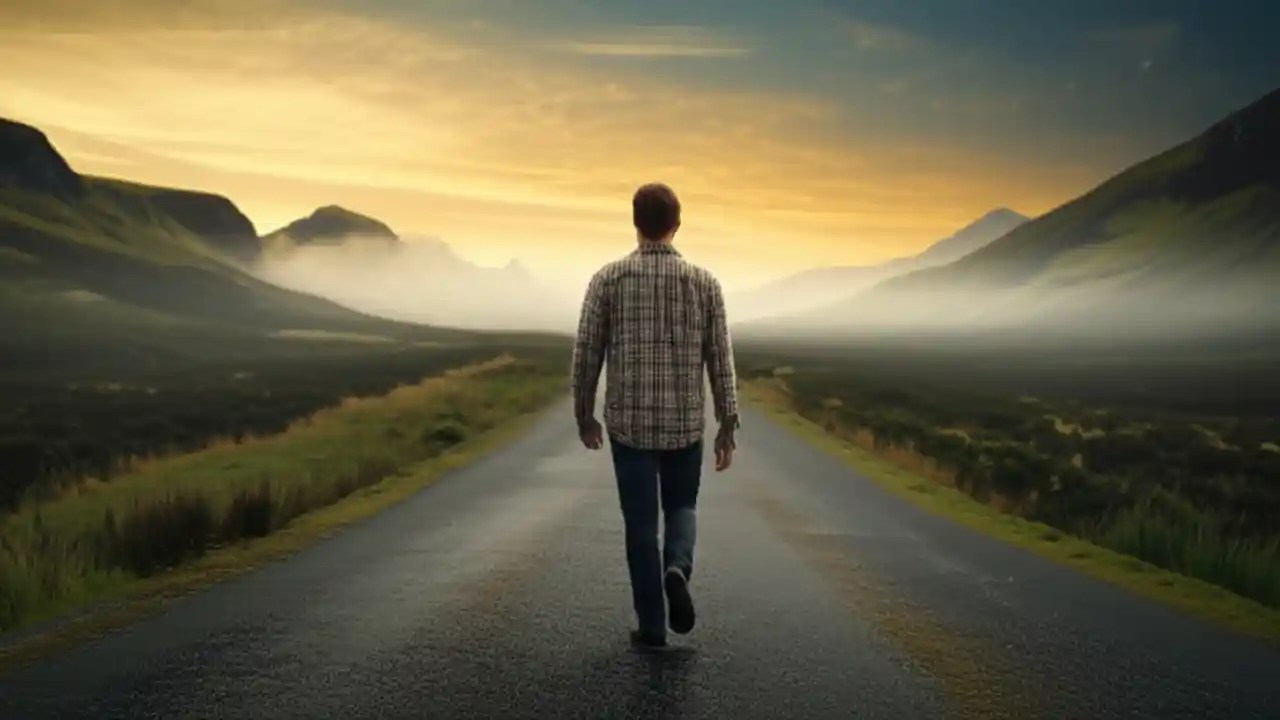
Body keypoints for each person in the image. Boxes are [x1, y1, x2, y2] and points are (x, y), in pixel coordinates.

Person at [571, 182, 739, 651]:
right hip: (685, 424)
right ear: (676, 224)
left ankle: (651, 627)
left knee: (641, 525)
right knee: (682, 507)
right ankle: (677, 567)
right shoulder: (705, 283)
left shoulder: (608, 279)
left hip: (630, 426)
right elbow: (720, 359)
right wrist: (727, 423)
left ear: (635, 222)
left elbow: (586, 353)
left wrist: (584, 414)